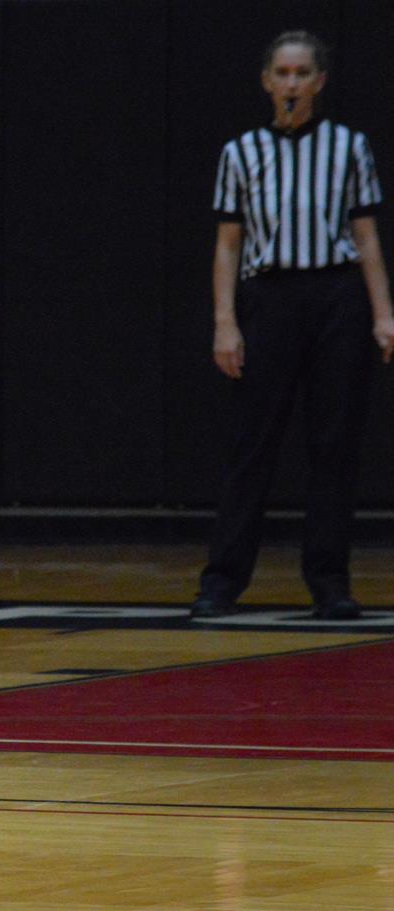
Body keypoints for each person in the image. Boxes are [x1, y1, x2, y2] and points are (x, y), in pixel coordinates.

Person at [193, 30, 393, 621]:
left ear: (320, 81)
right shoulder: (241, 153)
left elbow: (365, 237)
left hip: (335, 297)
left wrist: (384, 314)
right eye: (281, 73)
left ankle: (330, 582)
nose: (291, 84)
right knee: (252, 445)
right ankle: (222, 582)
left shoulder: (349, 148)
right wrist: (225, 322)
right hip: (269, 299)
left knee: (333, 444)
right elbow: (228, 245)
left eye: (302, 73)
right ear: (265, 81)